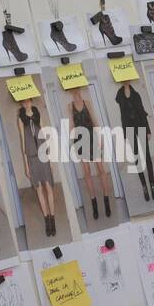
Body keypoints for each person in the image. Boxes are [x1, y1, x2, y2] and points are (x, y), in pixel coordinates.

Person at [67, 87, 112, 221]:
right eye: (73, 89)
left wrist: (101, 137)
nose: (76, 91)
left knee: (101, 169)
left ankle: (106, 200)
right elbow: (72, 125)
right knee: (86, 172)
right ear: (70, 90)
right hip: (80, 139)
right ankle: (94, 204)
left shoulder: (88, 103)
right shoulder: (69, 106)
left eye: (77, 88)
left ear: (80, 89)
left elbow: (94, 120)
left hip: (92, 137)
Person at [16, 97, 58, 238]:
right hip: (32, 157)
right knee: (39, 188)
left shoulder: (37, 112)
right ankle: (46, 219)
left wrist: (51, 158)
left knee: (48, 187)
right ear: (21, 103)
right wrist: (26, 164)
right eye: (24, 101)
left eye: (28, 101)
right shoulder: (20, 117)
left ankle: (52, 218)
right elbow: (22, 141)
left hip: (43, 154)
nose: (26, 103)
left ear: (31, 101)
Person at [115, 81, 154, 202]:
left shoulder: (136, 94)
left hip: (141, 126)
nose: (126, 81)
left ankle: (152, 185)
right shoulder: (119, 96)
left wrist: (148, 130)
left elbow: (142, 113)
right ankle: (144, 186)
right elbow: (122, 116)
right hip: (130, 129)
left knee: (147, 157)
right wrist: (125, 133)